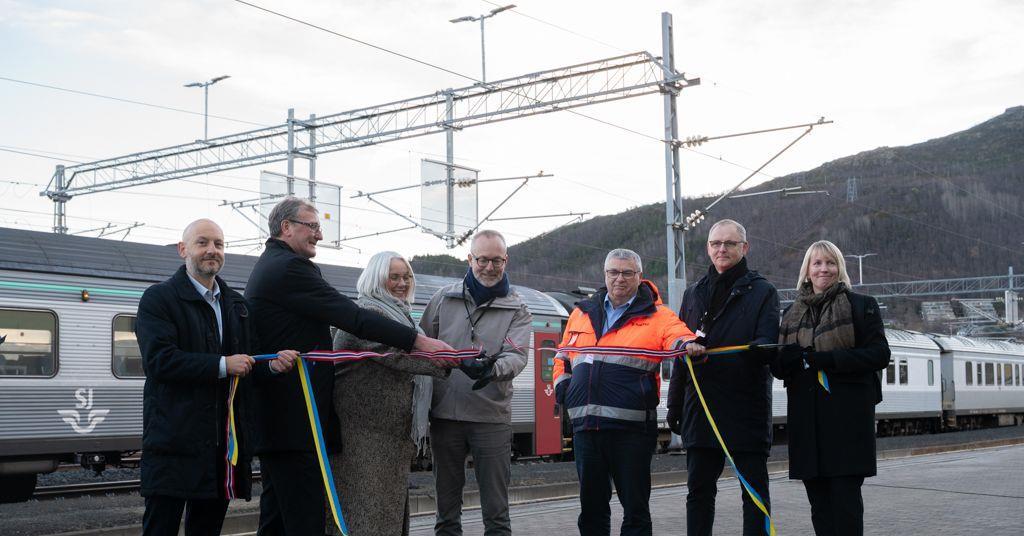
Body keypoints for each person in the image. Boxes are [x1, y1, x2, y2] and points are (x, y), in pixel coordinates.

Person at [246, 197, 453, 536]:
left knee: (277, 519)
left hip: (282, 419)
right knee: (303, 521)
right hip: (296, 417)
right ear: (286, 228)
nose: (319, 235)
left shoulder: (273, 265)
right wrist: (419, 342)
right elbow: (352, 316)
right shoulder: (288, 268)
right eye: (312, 226)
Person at [135, 219, 298, 536]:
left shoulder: (237, 305)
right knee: (159, 528)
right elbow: (159, 361)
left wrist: (272, 367)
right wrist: (223, 365)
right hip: (173, 443)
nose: (212, 250)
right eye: (202, 242)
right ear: (183, 249)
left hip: (220, 448)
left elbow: (248, 366)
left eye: (219, 244)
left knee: (207, 530)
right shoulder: (158, 299)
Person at [553, 248, 701, 536]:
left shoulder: (658, 315)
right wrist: (563, 389)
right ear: (605, 275)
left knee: (635, 511)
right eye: (613, 272)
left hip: (631, 431)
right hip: (586, 429)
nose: (619, 278)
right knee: (592, 512)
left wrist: (688, 344)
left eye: (627, 273)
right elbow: (562, 356)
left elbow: (678, 335)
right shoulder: (581, 313)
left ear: (640, 276)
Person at [329, 251, 458, 536]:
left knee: (382, 509)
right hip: (363, 433)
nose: (402, 283)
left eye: (406, 276)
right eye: (394, 277)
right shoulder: (367, 314)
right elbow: (393, 354)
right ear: (377, 279)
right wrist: (448, 361)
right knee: (366, 509)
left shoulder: (401, 316)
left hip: (384, 434)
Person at [665, 219, 780, 536]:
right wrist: (675, 407)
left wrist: (757, 350)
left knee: (754, 496)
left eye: (729, 243)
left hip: (746, 411)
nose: (722, 249)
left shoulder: (763, 292)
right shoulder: (693, 294)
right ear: (708, 248)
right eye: (716, 243)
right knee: (699, 494)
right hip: (700, 412)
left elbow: (768, 345)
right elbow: (680, 358)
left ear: (744, 248)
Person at [774, 240, 890, 536]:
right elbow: (779, 370)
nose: (823, 268)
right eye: (817, 263)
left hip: (846, 422)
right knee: (819, 505)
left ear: (840, 269)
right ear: (807, 271)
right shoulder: (791, 314)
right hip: (807, 423)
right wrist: (781, 360)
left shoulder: (861, 306)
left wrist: (828, 359)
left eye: (830, 263)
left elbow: (879, 354)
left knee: (846, 504)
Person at [420, 230, 532, 536]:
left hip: (490, 417)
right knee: (446, 513)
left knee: (496, 515)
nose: (489, 267)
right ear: (470, 259)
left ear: (506, 261)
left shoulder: (518, 309)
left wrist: (491, 370)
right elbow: (422, 343)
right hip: (445, 416)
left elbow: (517, 355)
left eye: (497, 260)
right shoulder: (443, 299)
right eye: (483, 259)